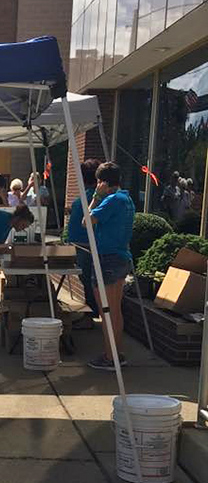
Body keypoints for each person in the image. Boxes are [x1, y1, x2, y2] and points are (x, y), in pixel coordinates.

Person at [86, 162, 135, 371]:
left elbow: (87, 221)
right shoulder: (126, 199)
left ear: (102, 183)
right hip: (120, 257)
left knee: (106, 311)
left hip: (107, 259)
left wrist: (96, 197)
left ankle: (110, 357)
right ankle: (116, 353)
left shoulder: (111, 200)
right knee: (114, 310)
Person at [67, 158, 100, 319]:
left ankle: (91, 314)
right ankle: (91, 313)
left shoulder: (84, 199)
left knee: (88, 280)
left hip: (82, 245)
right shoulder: (95, 198)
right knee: (89, 280)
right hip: (87, 245)